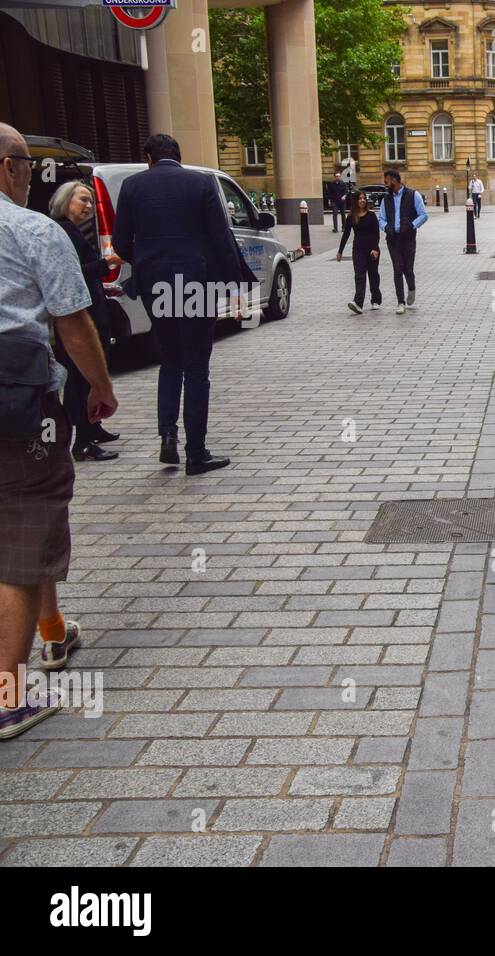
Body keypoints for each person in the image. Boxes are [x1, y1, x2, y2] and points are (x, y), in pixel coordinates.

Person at [0, 122, 120, 739]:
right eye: (24, 165)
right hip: (18, 400)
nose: (29, 176)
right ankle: (8, 696)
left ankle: (53, 631)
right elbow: (74, 325)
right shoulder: (31, 231)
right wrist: (100, 388)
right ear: (7, 168)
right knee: (27, 523)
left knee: (27, 526)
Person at [113, 132, 243, 476]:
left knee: (170, 361)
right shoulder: (200, 183)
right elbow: (222, 237)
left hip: (156, 285)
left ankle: (167, 434)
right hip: (196, 284)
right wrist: (234, 285)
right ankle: (196, 453)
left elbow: (121, 243)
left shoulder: (132, 186)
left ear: (149, 156)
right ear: (179, 156)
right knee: (197, 367)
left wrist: (148, 260)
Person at [49, 181, 122, 462]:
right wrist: (109, 263)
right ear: (66, 201)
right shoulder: (64, 232)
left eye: (91, 202)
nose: (89, 207)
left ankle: (94, 427)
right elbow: (75, 273)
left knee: (88, 376)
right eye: (83, 200)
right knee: (81, 378)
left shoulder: (72, 231)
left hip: (91, 306)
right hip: (83, 314)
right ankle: (82, 441)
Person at [376, 168, 427, 315]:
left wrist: (412, 225)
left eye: (387, 182)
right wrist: (386, 227)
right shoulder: (386, 199)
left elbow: (423, 215)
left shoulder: (413, 195)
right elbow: (382, 218)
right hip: (393, 239)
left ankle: (411, 287)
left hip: (408, 238)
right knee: (397, 268)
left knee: (407, 269)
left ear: (395, 180)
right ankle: (400, 302)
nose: (385, 185)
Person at [336, 191, 382, 315]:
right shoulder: (351, 217)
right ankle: (358, 303)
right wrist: (340, 251)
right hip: (358, 250)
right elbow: (346, 235)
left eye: (364, 198)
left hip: (372, 249)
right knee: (359, 275)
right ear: (355, 201)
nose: (362, 200)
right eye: (360, 198)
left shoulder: (371, 216)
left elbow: (376, 234)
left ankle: (376, 300)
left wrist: (375, 248)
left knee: (373, 275)